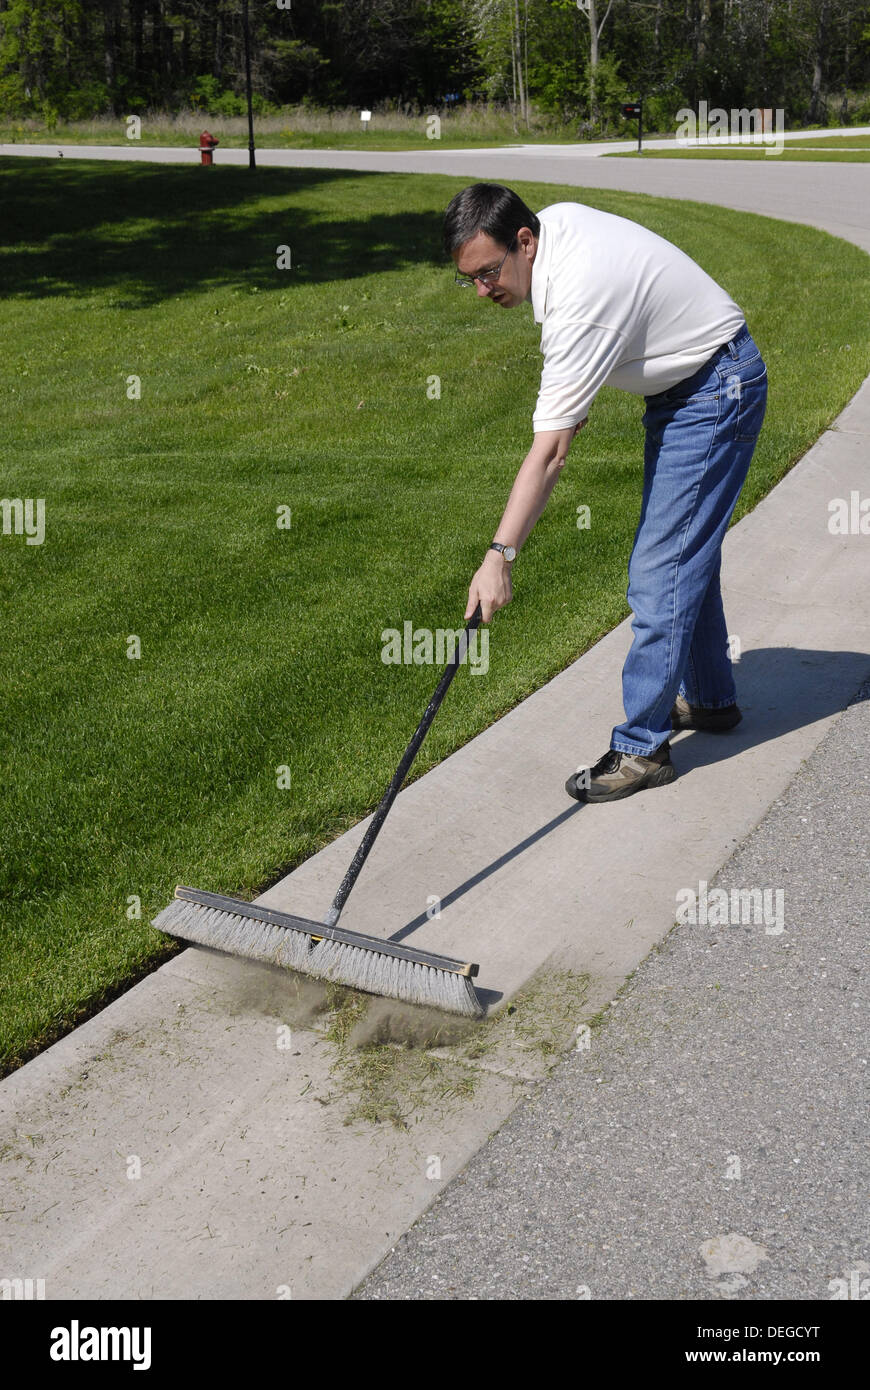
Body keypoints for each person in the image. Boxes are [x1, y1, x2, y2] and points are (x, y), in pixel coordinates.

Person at [444, 182, 768, 804]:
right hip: (690, 386)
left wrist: (498, 559)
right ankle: (710, 699)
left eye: (489, 273)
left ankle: (643, 749)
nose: (484, 291)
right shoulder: (554, 228)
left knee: (659, 570)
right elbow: (570, 416)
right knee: (683, 558)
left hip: (714, 392)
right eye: (470, 280)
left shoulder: (579, 302)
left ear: (524, 241)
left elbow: (552, 451)